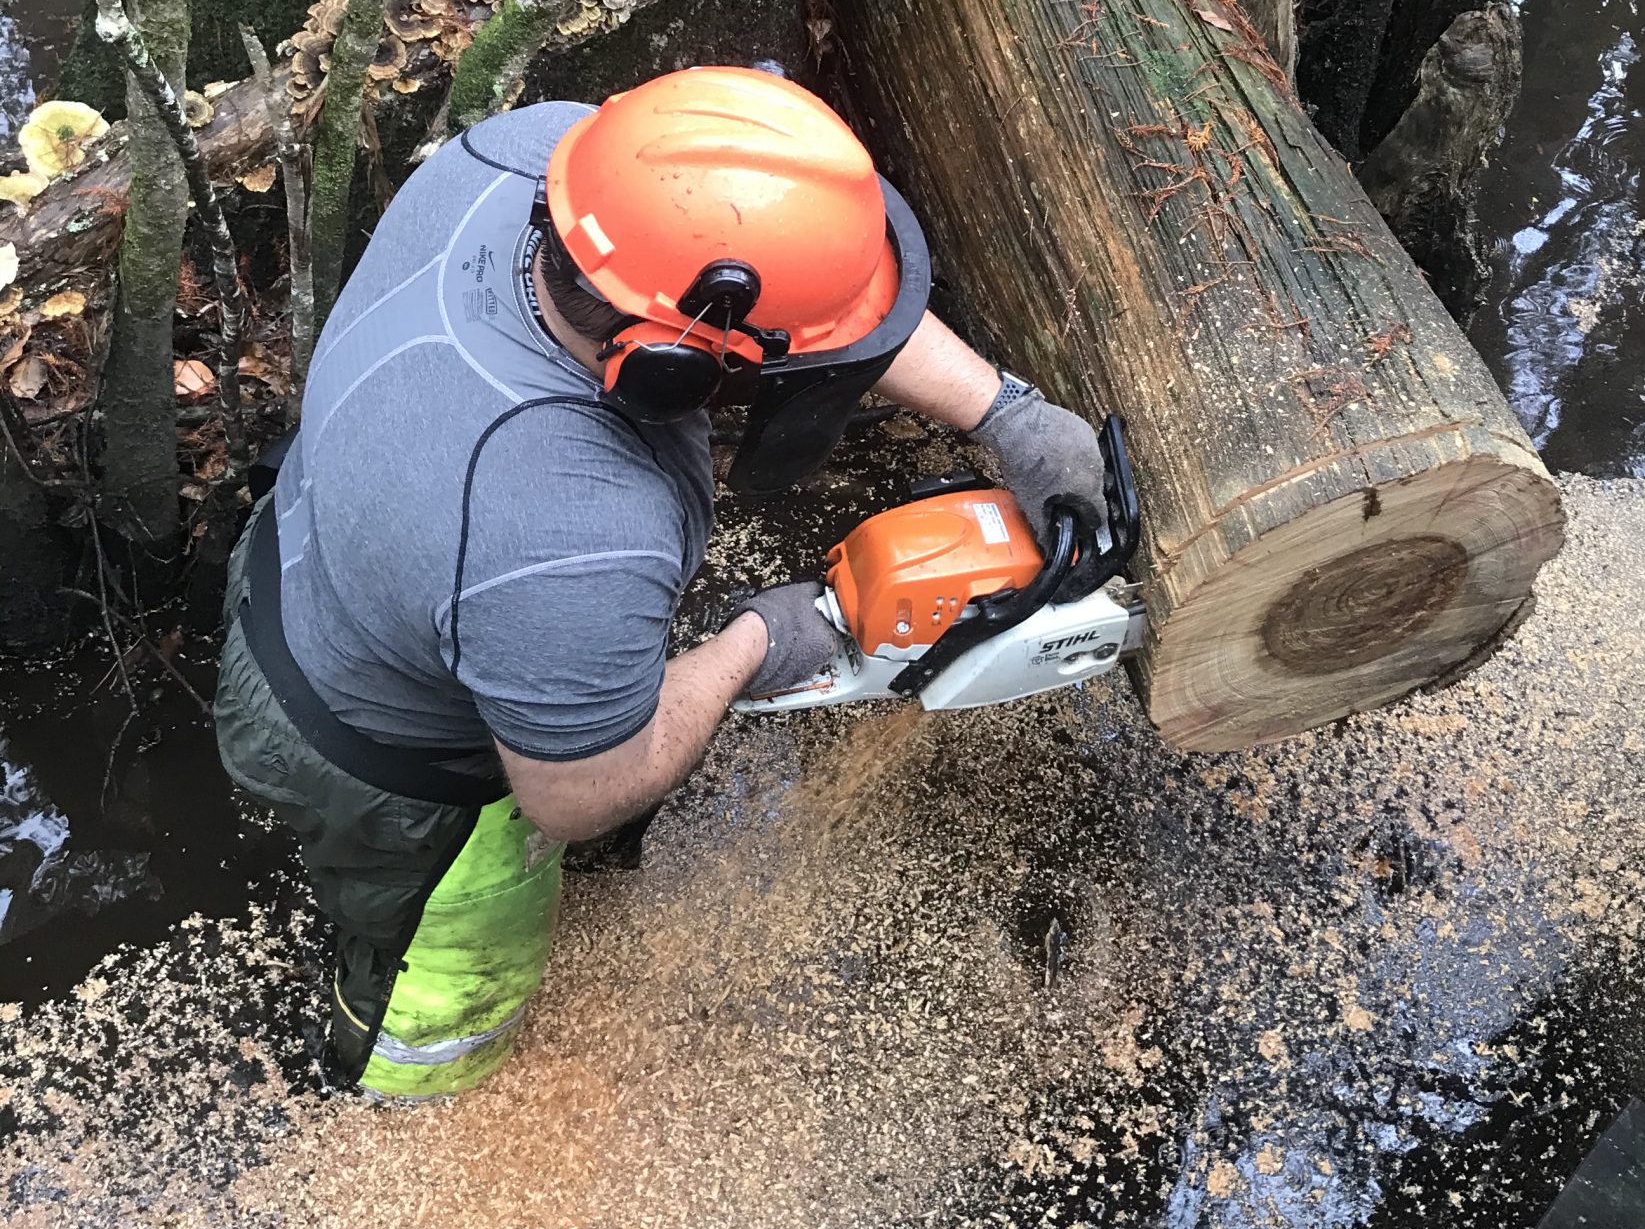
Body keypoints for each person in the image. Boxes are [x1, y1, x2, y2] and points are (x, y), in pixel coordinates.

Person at [213, 66, 1106, 1100]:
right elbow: (576, 795)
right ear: (668, 367)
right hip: (387, 760)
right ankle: (401, 1103)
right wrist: (757, 643)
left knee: (547, 648)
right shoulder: (568, 527)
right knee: (440, 1018)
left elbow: (814, 305)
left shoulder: (543, 156)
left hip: (304, 553)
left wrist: (1005, 412)